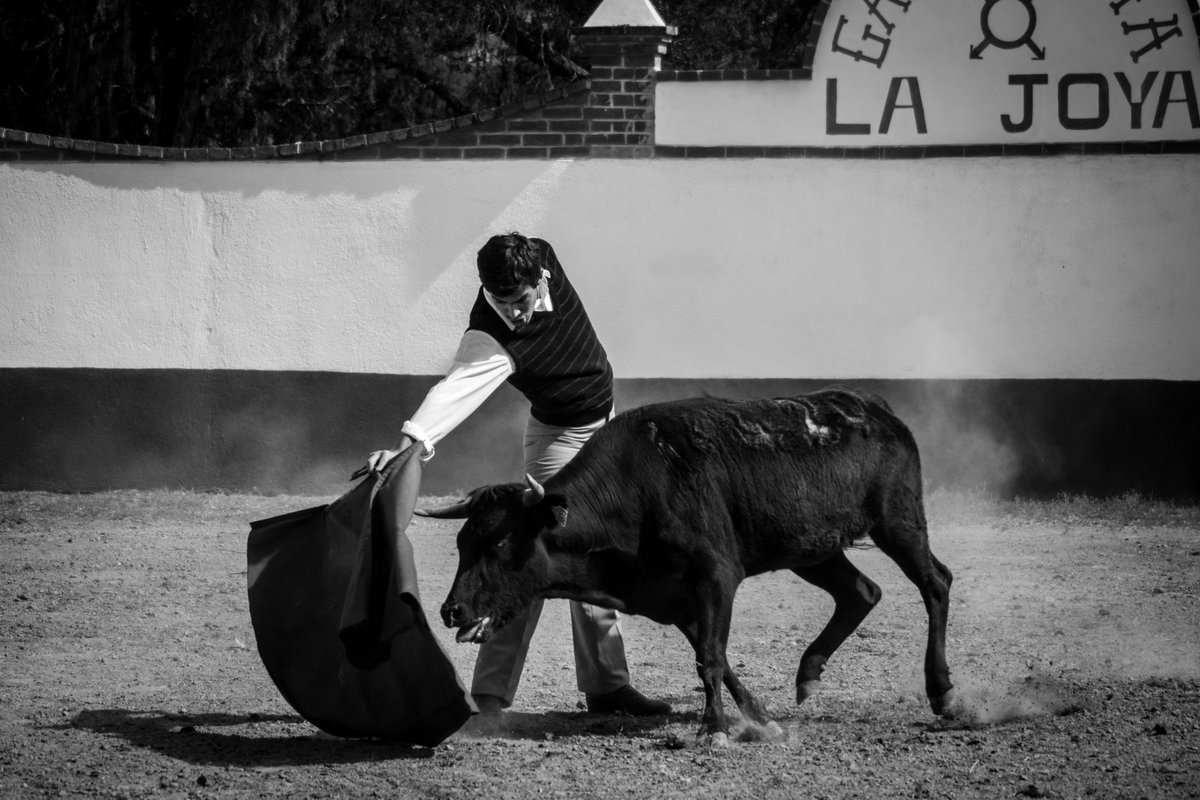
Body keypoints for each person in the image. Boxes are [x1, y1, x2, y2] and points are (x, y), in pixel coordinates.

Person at [366, 231, 669, 720]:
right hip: (560, 441)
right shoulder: (490, 337)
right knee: (533, 559)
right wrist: (406, 448)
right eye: (502, 303)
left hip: (603, 431)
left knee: (593, 555)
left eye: (522, 301)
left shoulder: (542, 252)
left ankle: (606, 687)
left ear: (540, 277)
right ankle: (489, 698)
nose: (516, 314)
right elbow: (453, 391)